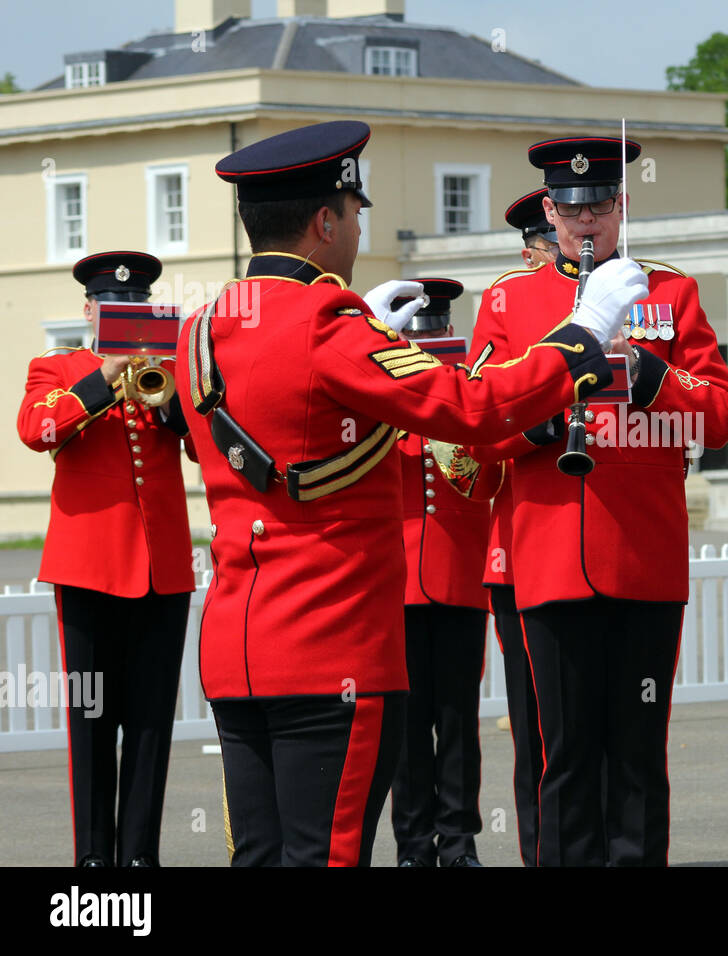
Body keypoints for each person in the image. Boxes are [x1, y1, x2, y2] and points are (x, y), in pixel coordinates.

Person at [174, 120, 640, 866]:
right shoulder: (332, 325)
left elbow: (297, 424)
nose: (359, 227)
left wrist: (370, 345)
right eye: (354, 213)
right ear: (325, 221)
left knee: (258, 859)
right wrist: (583, 333)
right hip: (331, 645)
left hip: (237, 645)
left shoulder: (201, 329)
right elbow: (474, 408)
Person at [467, 135, 728, 866]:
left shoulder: (670, 291)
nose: (587, 223)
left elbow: (719, 415)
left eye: (601, 206)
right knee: (564, 756)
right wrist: (544, 414)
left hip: (643, 555)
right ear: (550, 212)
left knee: (639, 755)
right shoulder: (509, 299)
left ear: (622, 207)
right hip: (548, 555)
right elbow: (475, 430)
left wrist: (654, 377)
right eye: (572, 208)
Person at [17, 251, 194, 867]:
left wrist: (166, 398)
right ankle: (93, 858)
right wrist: (103, 380)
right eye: (112, 305)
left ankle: (141, 857)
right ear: (90, 309)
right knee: (91, 719)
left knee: (150, 722)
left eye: (135, 306)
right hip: (88, 566)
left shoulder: (172, 369)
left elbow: (202, 442)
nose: (123, 312)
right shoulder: (56, 366)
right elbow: (36, 430)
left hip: (160, 568)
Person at [388, 279, 502, 868]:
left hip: (460, 573)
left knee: (458, 720)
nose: (426, 340)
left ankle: (458, 842)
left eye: (435, 330)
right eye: (417, 331)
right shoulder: (388, 395)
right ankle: (413, 844)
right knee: (407, 724)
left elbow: (488, 480)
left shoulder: (467, 392)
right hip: (400, 578)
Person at [482, 188, 559, 865]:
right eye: (537, 246)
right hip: (516, 544)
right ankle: (540, 851)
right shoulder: (508, 306)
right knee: (534, 727)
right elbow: (477, 424)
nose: (540, 257)